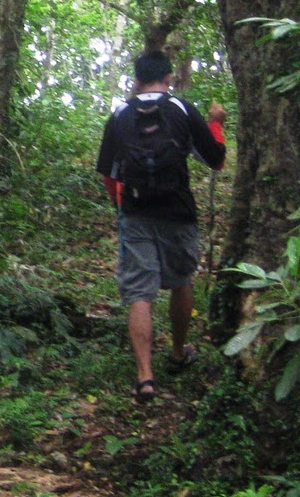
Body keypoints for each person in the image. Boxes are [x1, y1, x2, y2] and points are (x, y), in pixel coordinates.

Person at [95, 50, 226, 402]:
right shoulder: (181, 109)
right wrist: (216, 123)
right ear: (168, 78)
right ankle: (179, 353)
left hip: (136, 212)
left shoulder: (120, 115)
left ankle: (145, 377)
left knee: (139, 293)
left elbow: (109, 174)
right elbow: (216, 160)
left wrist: (120, 206)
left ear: (136, 80)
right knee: (182, 282)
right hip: (178, 210)